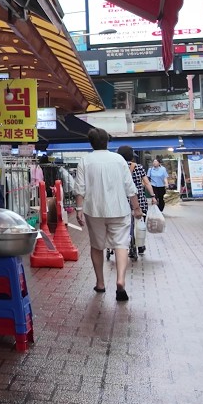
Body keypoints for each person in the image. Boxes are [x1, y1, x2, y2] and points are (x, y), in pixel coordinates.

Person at [73, 128, 141, 301]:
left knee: (97, 245)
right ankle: (120, 281)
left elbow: (80, 188)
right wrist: (136, 208)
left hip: (94, 210)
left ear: (91, 142)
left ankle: (101, 283)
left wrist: (79, 210)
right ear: (107, 142)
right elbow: (129, 186)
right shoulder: (119, 159)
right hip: (119, 208)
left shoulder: (85, 161)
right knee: (121, 245)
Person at [117, 146, 154, 256]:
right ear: (132, 156)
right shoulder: (139, 167)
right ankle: (140, 244)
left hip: (122, 199)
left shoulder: (117, 167)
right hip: (139, 199)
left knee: (126, 225)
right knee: (139, 222)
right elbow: (146, 183)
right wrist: (152, 195)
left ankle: (129, 244)